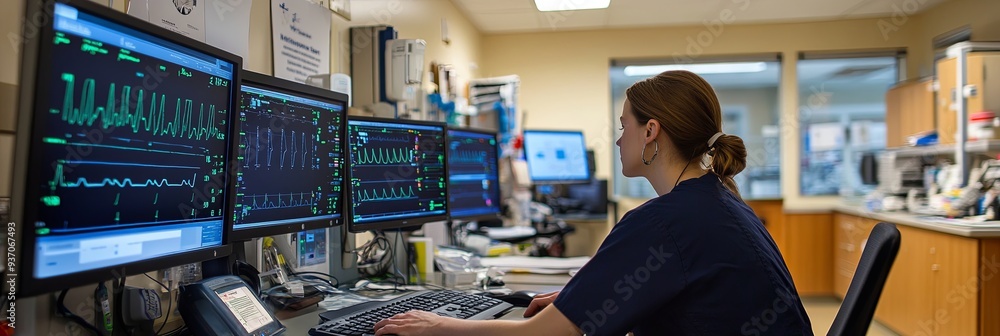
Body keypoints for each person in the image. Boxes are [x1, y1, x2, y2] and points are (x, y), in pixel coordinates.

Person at [373, 70, 813, 335]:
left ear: (651, 132)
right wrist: (585, 297)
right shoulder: (720, 200)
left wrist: (437, 326)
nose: (619, 140)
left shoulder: (661, 221)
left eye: (624, 127)